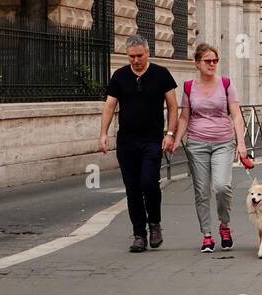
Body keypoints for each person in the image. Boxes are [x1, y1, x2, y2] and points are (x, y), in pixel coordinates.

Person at [99, 35, 178, 252]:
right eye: (131, 56)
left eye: (139, 56)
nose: (135, 60)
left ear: (147, 53)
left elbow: (172, 106)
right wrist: (103, 133)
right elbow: (109, 106)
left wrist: (170, 133)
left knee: (149, 182)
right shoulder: (120, 76)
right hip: (127, 141)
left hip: (152, 140)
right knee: (132, 188)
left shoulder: (161, 74)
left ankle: (154, 224)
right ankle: (139, 234)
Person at [173, 42, 248, 253]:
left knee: (222, 186)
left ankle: (224, 226)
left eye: (215, 60)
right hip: (197, 143)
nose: (212, 64)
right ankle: (206, 235)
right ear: (197, 63)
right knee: (201, 191)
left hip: (223, 141)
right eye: (207, 60)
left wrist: (241, 145)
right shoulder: (188, 87)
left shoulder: (226, 84)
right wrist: (176, 139)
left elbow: (236, 115)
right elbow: (185, 117)